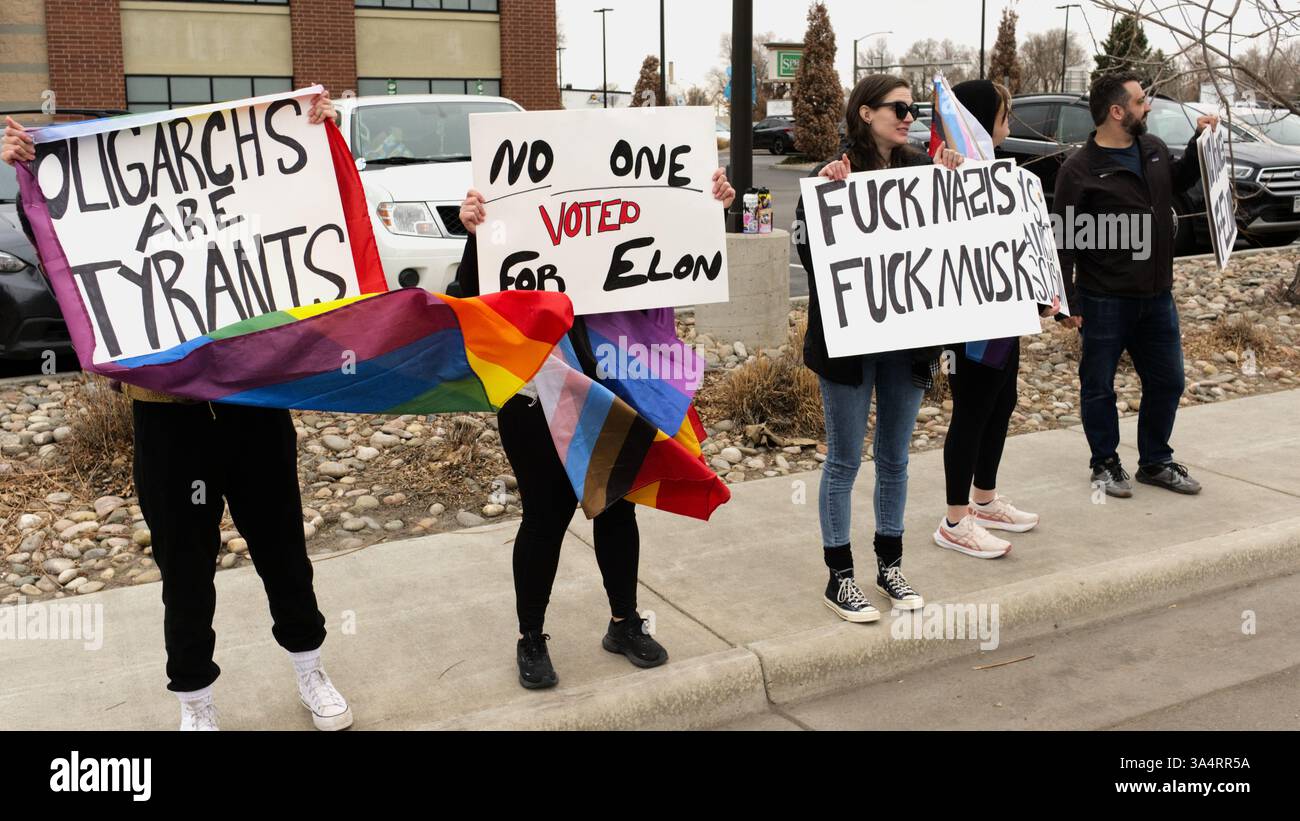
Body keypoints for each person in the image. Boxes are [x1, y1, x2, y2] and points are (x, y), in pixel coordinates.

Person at [2, 91, 353, 732]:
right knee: (184, 571)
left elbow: (294, 208)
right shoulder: (116, 236)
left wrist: (318, 137)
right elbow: (68, 253)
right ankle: (195, 703)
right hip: (167, 422)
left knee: (284, 552)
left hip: (253, 407)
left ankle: (310, 668)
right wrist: (33, 174)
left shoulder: (239, 220)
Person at [452, 168, 736, 689]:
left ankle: (624, 623)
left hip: (612, 383)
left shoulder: (623, 209)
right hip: (536, 389)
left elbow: (675, 261)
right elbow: (470, 295)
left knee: (616, 505)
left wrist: (706, 206)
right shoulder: (513, 213)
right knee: (545, 514)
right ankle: (531, 639)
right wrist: (475, 237)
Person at [795, 74, 963, 623]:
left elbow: (951, 240)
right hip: (849, 344)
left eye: (913, 109)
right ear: (865, 113)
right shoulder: (834, 173)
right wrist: (824, 195)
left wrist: (954, 181)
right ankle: (838, 577)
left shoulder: (923, 170)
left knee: (894, 459)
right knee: (844, 459)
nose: (908, 116)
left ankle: (889, 565)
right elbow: (806, 251)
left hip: (907, 341)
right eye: (898, 108)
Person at [1053, 71, 1217, 498]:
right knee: (1099, 384)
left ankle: (1155, 461)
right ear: (1116, 111)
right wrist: (1066, 301)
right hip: (1103, 298)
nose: (1148, 107)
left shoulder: (1154, 149)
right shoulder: (1079, 170)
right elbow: (1064, 240)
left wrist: (1202, 143)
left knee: (1168, 381)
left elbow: (1177, 183)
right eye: (1141, 101)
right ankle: (1104, 463)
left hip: (1157, 294)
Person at [932, 80, 1061, 560]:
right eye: (1004, 117)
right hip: (970, 323)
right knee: (971, 410)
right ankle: (954, 519)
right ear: (984, 121)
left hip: (1004, 315)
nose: (1009, 126)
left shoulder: (995, 174)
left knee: (1002, 401)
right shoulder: (950, 174)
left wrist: (1042, 293)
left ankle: (983, 500)